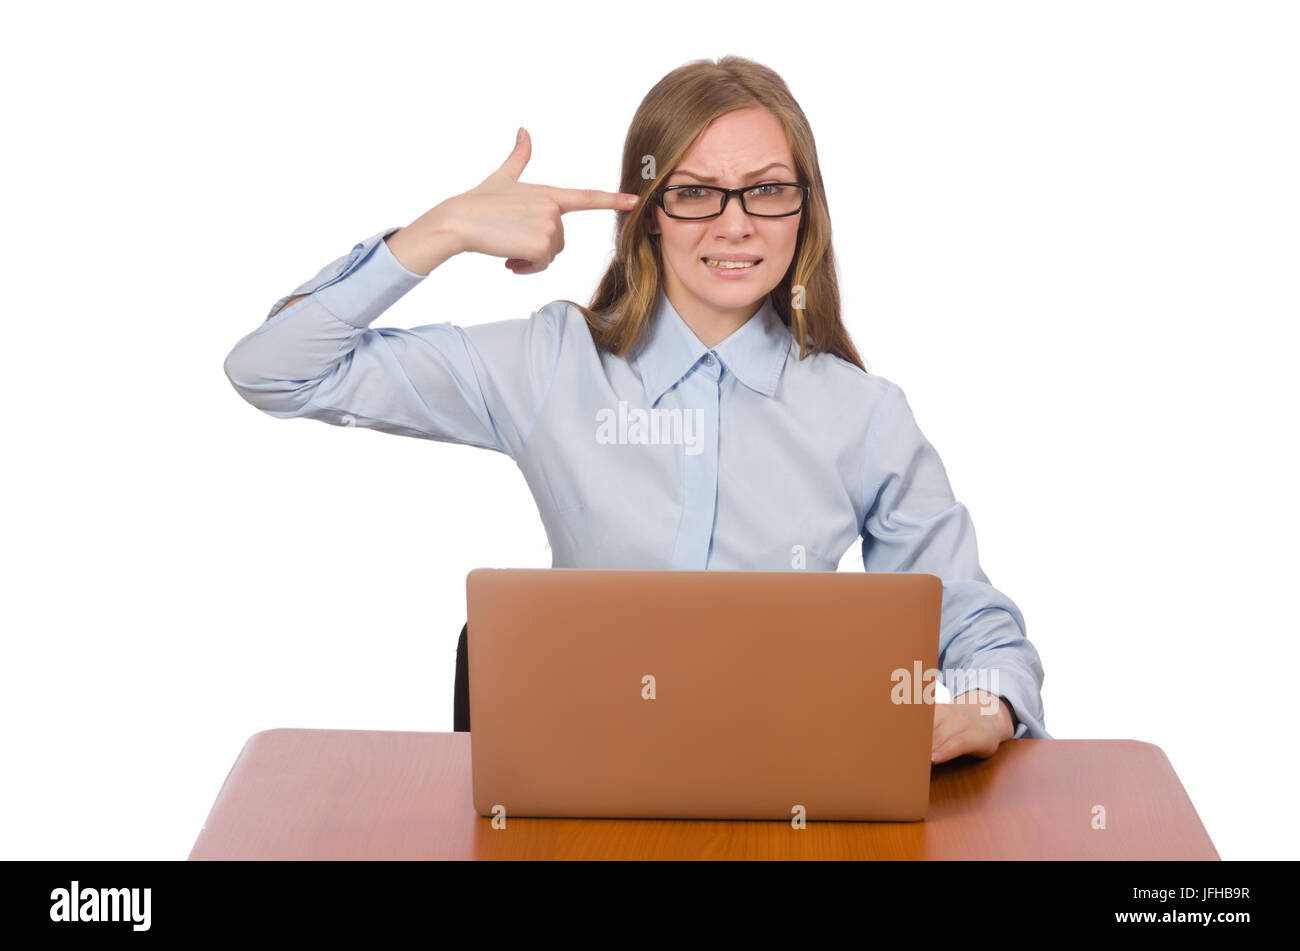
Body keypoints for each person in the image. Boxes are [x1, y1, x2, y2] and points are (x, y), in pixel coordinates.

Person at [223, 55, 1048, 762]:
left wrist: (988, 704)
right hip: (580, 777)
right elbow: (275, 371)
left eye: (765, 191)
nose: (733, 224)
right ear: (647, 213)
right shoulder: (549, 363)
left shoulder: (864, 416)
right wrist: (440, 232)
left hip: (788, 782)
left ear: (805, 212)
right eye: (694, 191)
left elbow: (972, 625)